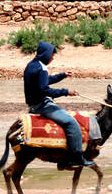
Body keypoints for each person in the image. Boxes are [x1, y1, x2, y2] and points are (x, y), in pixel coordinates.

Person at [23, 39, 93, 168]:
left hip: (34, 103)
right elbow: (45, 89)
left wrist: (63, 75)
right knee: (71, 123)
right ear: (45, 54)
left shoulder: (32, 65)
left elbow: (43, 82)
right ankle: (76, 158)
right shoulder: (41, 68)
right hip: (42, 105)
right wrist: (66, 92)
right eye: (52, 55)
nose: (52, 58)